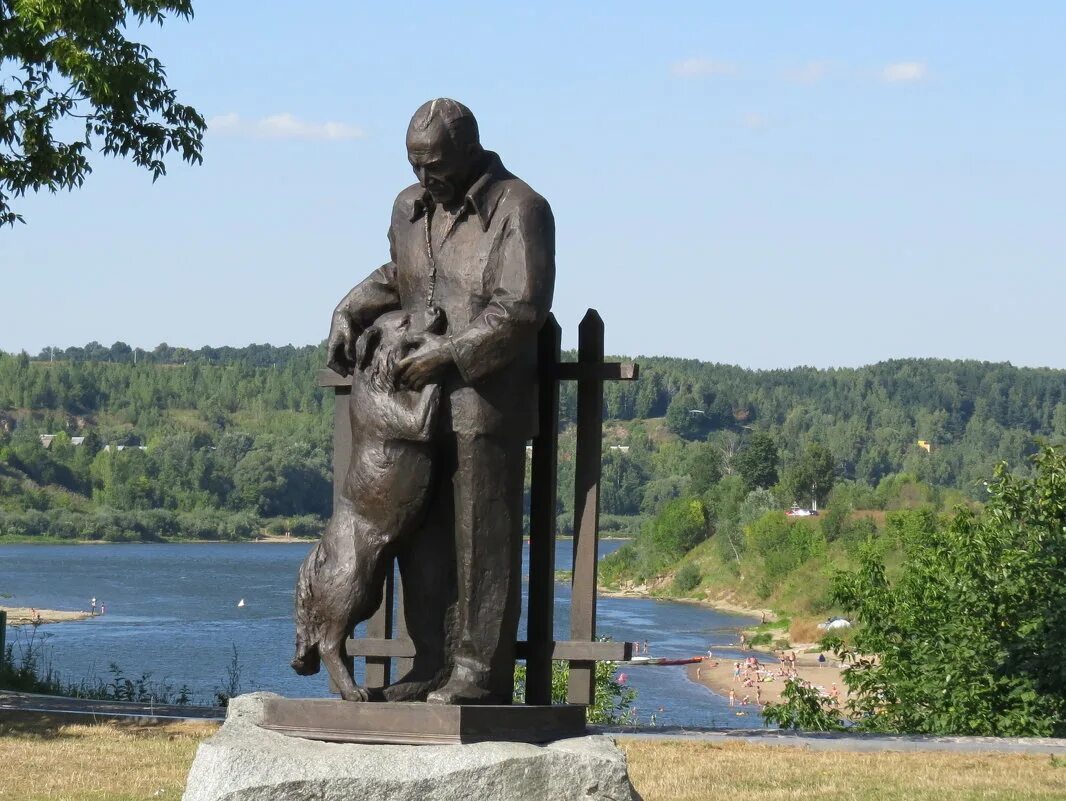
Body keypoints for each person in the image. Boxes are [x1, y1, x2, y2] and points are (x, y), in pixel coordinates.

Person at [326, 99, 555, 705]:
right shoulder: (408, 208)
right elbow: (399, 275)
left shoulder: (521, 209)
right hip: (415, 410)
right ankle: (430, 662)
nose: (423, 177)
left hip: (483, 404)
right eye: (414, 164)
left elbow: (520, 307)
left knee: (482, 538)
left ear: (470, 151)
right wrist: (350, 307)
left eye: (434, 165)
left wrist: (450, 353)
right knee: (421, 541)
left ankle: (478, 672)